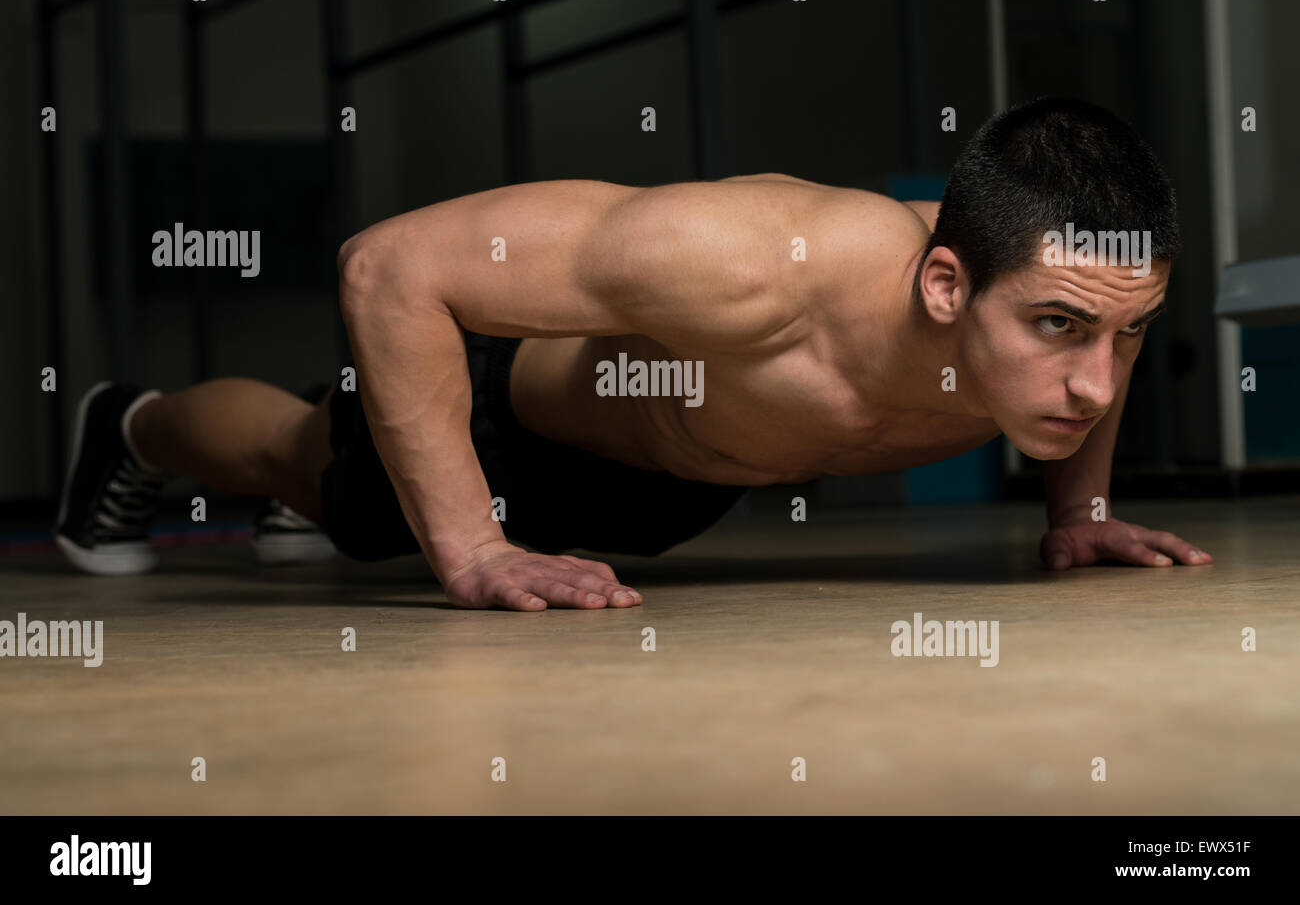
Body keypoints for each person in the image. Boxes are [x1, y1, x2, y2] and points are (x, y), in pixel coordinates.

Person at [54, 96, 1214, 609]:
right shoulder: (754, 260)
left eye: (1129, 336)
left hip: (686, 478)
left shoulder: (1065, 311)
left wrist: (1079, 508)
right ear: (945, 282)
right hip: (524, 429)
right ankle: (128, 425)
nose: (1097, 383)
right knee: (304, 462)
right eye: (1060, 329)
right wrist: (469, 549)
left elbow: (1089, 346)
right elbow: (389, 266)